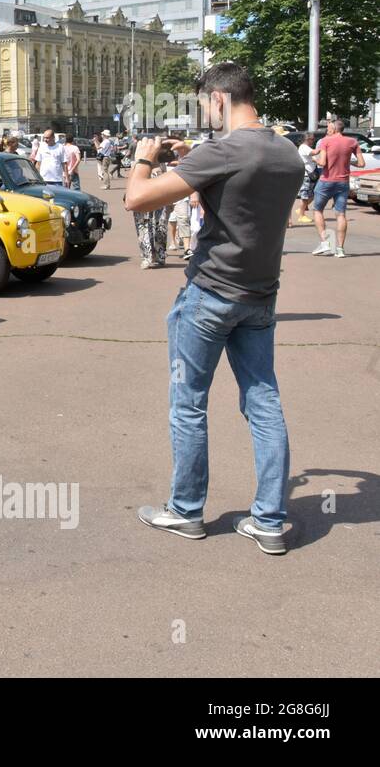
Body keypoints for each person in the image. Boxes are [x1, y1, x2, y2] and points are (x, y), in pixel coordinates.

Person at [125, 62, 303, 555]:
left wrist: (144, 158)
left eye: (205, 104)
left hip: (209, 296)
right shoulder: (287, 152)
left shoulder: (222, 152)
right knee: (263, 401)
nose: (205, 113)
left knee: (189, 404)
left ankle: (186, 511)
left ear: (219, 100)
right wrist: (195, 155)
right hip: (261, 296)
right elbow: (240, 179)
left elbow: (136, 200)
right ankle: (269, 520)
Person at [310, 118, 366, 258]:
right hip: (343, 182)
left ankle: (325, 243)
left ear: (334, 129)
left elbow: (322, 163)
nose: (327, 131)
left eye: (329, 128)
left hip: (326, 181)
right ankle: (340, 249)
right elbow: (361, 164)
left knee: (317, 211)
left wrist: (314, 160)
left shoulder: (325, 141)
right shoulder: (353, 142)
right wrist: (348, 162)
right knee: (341, 214)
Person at [294, 132, 319, 225]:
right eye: (312, 139)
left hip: (310, 173)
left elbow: (310, 157)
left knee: (312, 195)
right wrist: (324, 147)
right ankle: (301, 215)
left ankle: (301, 209)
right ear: (307, 139)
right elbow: (314, 152)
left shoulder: (305, 148)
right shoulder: (304, 147)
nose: (313, 141)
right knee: (305, 196)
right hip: (306, 175)